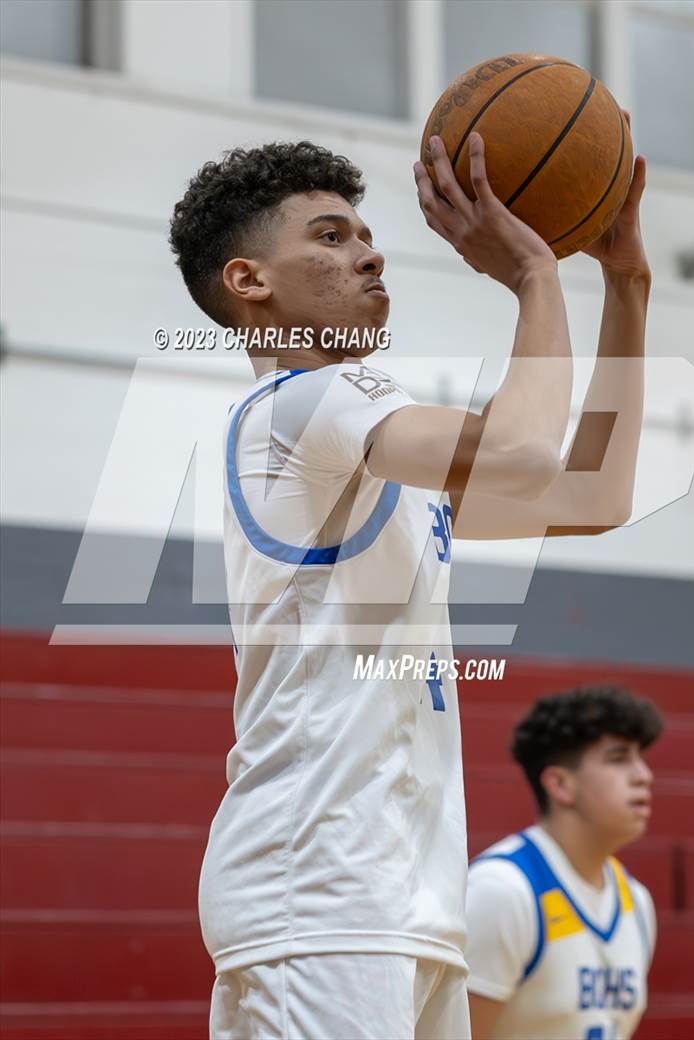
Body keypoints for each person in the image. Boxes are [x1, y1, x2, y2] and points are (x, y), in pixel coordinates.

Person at [168, 122, 651, 1040]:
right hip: (317, 887)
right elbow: (519, 448)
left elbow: (597, 494)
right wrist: (535, 278)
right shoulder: (307, 402)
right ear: (248, 281)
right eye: (329, 234)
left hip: (401, 896)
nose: (368, 249)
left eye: (362, 230)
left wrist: (625, 283)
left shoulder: (368, 456)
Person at [465, 686, 663, 1040]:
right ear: (560, 783)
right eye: (618, 758)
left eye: (640, 756)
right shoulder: (502, 891)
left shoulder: (637, 901)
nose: (643, 774)